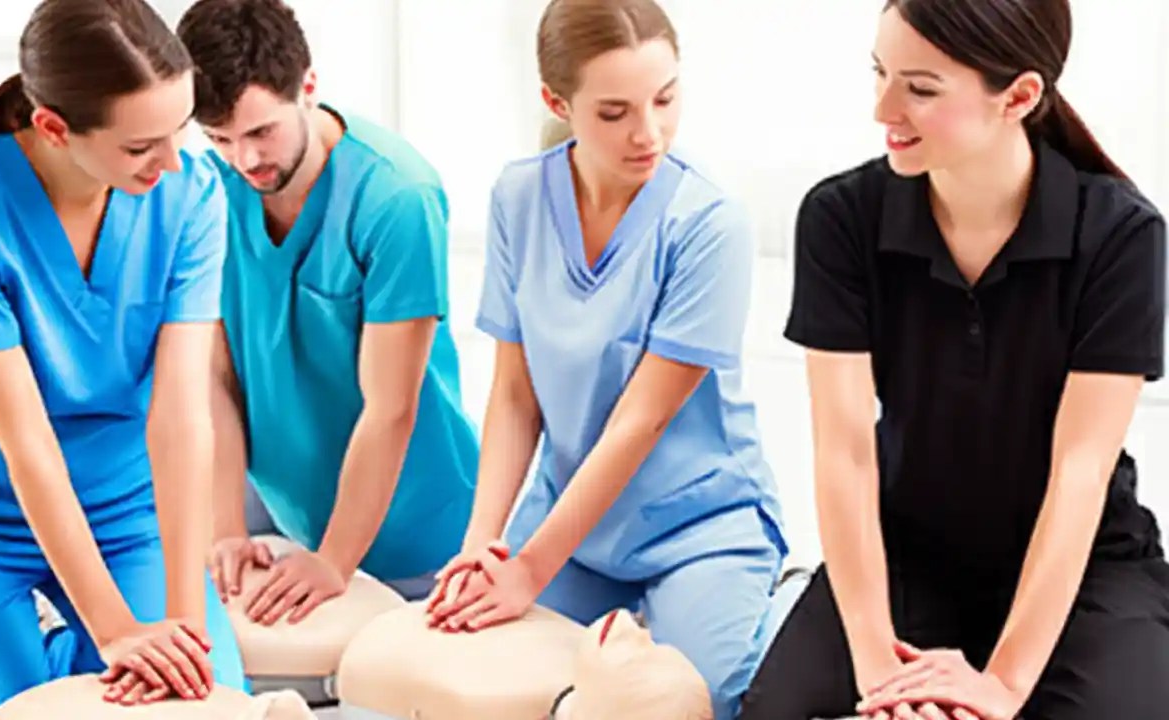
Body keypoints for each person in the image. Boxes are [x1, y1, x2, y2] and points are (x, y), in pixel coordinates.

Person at [740, 2, 1169, 719]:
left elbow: (1080, 471)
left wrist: (1003, 685)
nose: (883, 109)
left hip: (1085, 567)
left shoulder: (1120, 233)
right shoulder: (840, 218)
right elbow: (845, 453)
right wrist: (879, 673)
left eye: (920, 88)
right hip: (908, 555)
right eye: (880, 73)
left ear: (1019, 96)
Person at [425, 1, 790, 718]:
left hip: (700, 525)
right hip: (572, 518)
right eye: (615, 111)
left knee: (697, 700)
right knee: (500, 682)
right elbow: (515, 396)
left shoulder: (708, 224)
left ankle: (786, 602)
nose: (647, 133)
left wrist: (530, 571)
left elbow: (639, 422)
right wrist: (483, 544)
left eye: (665, 99)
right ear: (556, 102)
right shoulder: (519, 197)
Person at [0, 0, 248, 717]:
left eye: (179, 129)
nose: (171, 161)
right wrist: (115, 633)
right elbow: (27, 442)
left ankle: (43, 657)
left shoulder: (193, 192)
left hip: (125, 508)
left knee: (198, 700)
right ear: (54, 127)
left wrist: (183, 626)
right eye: (141, 146)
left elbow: (182, 416)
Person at [174, 0, 479, 623]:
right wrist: (226, 527)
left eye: (262, 132)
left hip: (415, 531)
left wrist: (336, 561)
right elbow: (216, 377)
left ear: (308, 87)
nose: (244, 160)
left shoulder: (396, 199)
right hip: (289, 505)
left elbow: (391, 408)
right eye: (220, 139)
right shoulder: (207, 189)